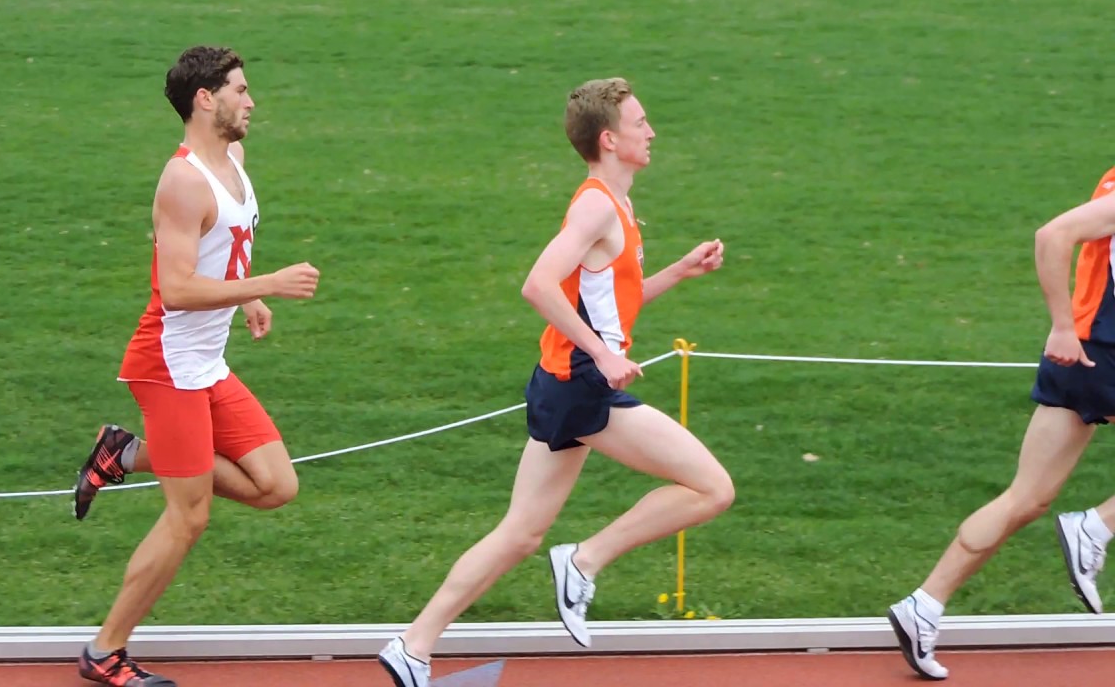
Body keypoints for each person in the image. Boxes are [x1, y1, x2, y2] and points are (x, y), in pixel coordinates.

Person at [377, 77, 735, 687]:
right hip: (584, 385)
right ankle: (585, 559)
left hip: (564, 382)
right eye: (640, 123)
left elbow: (612, 304)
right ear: (609, 140)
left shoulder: (617, 206)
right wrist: (606, 356)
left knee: (520, 533)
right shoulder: (596, 204)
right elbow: (538, 285)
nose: (651, 132)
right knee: (711, 489)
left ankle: (412, 645)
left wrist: (678, 271)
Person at [70, 45, 320, 687]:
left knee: (275, 485)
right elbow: (176, 288)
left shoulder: (232, 160)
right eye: (240, 90)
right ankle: (106, 651)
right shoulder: (181, 181)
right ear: (205, 100)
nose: (251, 101)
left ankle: (122, 453)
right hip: (169, 364)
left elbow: (221, 250)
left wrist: (250, 296)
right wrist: (267, 280)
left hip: (206, 361)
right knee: (191, 514)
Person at [887, 168, 1115, 680]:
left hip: (1080, 354)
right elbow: (1052, 234)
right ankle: (1096, 526)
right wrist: (1060, 324)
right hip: (1100, 350)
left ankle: (923, 604)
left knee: (1027, 498)